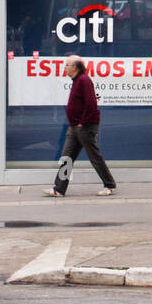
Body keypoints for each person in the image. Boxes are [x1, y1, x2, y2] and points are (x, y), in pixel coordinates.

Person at [43, 55, 117, 197]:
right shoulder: (77, 81)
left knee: (94, 157)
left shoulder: (84, 80)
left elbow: (91, 104)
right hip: (75, 127)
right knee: (67, 157)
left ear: (75, 67)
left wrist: (82, 122)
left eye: (67, 65)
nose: (64, 67)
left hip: (84, 127)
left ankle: (109, 185)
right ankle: (58, 189)